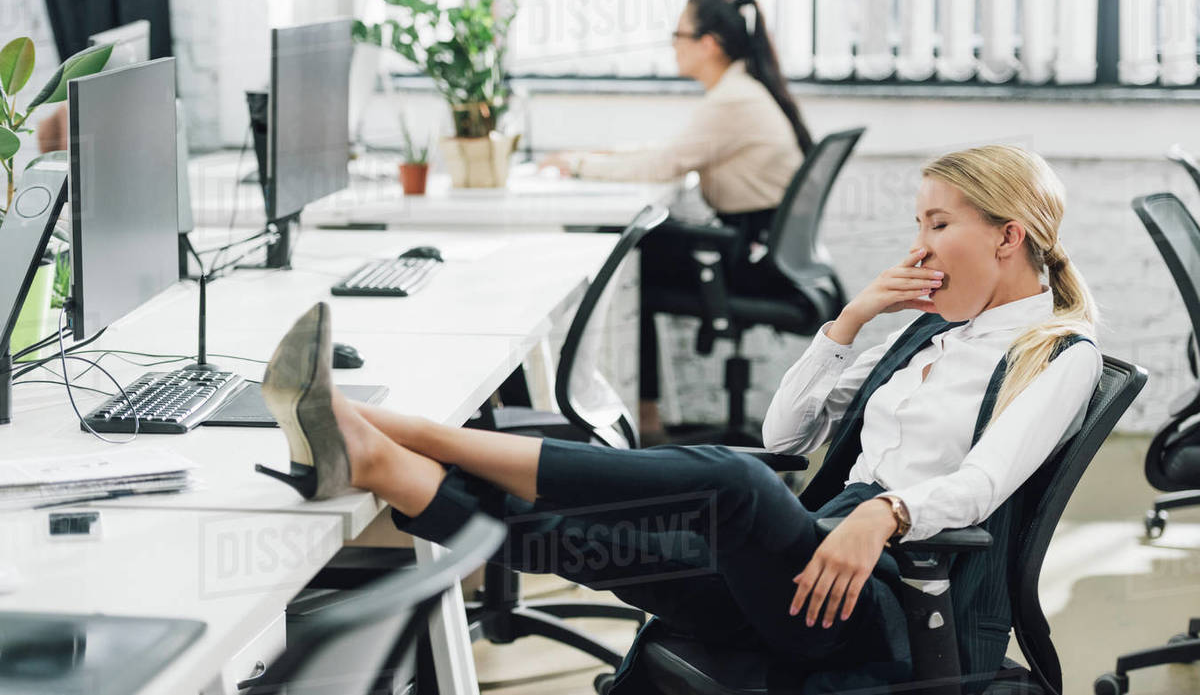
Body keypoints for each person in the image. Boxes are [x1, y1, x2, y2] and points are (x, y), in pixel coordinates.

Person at [255, 145, 1101, 691]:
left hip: (895, 605)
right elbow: (785, 437)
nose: (916, 248)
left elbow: (985, 482)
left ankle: (414, 430)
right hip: (813, 569)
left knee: (730, 481)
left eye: (938, 223)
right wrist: (850, 322)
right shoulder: (928, 330)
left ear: (1006, 236)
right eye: (916, 224)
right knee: (612, 551)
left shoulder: (1062, 353)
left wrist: (886, 511)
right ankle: (386, 465)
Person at [542, 0, 815, 441]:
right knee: (642, 247)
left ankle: (644, 417)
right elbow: (675, 154)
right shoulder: (739, 91)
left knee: (630, 261)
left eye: (678, 35)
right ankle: (645, 413)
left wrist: (576, 165)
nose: (673, 45)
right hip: (758, 248)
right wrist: (596, 155)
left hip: (751, 260)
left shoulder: (733, 100)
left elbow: (664, 166)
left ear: (708, 43)